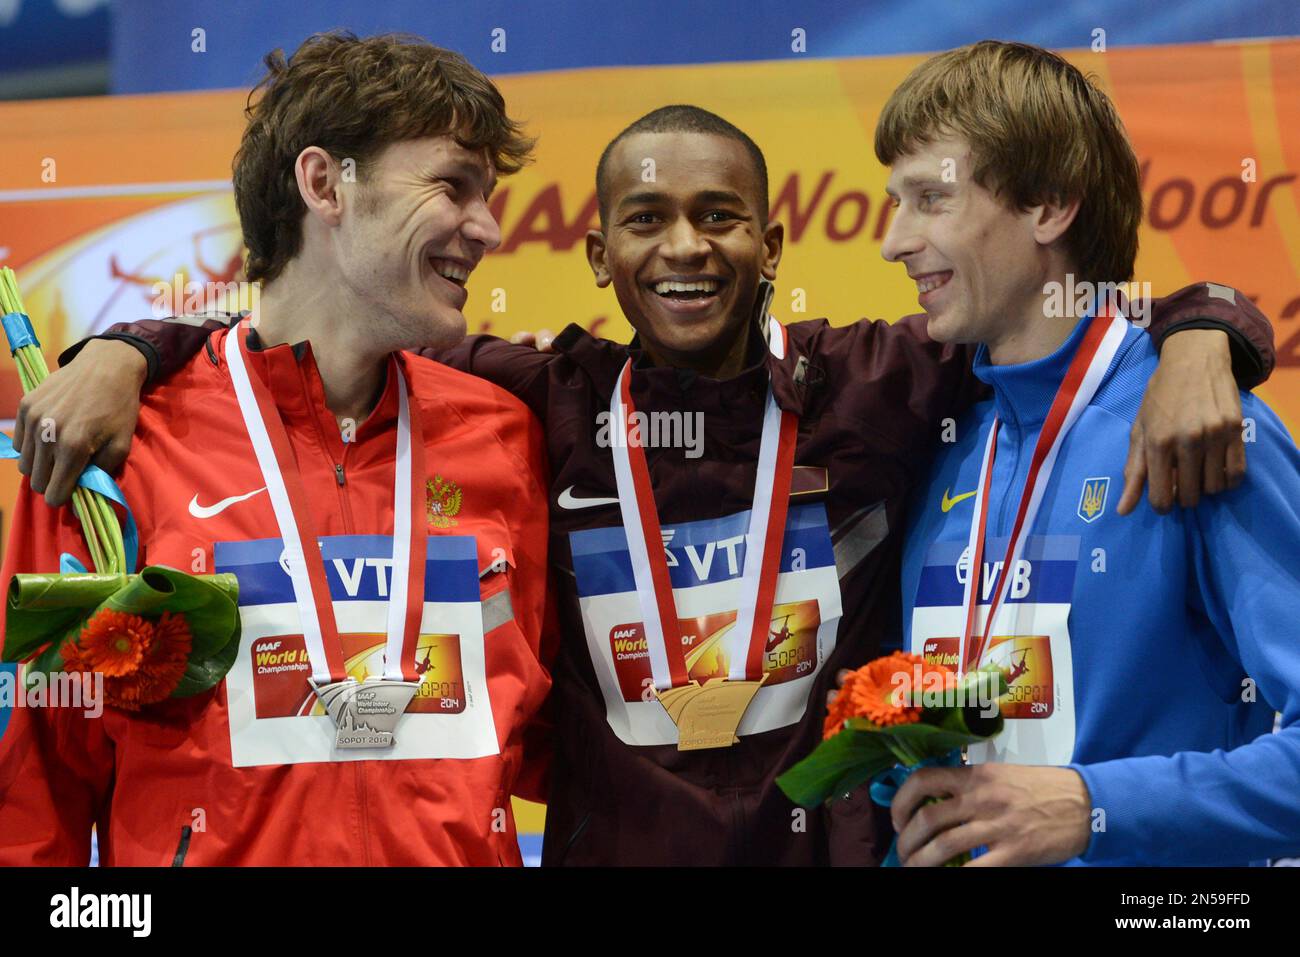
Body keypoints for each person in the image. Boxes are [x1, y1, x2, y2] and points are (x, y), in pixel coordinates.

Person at [15, 97, 1276, 864]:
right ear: (596, 251)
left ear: (772, 243)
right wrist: (133, 346)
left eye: (721, 216)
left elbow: (1053, 331)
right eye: (647, 220)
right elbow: (318, 332)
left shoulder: (879, 382)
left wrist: (1205, 330)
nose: (686, 248)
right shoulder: (535, 399)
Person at [0, 32, 554, 865]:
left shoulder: (504, 435)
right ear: (325, 182)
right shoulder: (115, 446)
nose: (488, 229)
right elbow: (31, 802)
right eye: (453, 186)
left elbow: (554, 741)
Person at [872, 41, 1300, 866]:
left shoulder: (1195, 425)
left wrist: (1096, 806)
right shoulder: (943, 438)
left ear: (1049, 206)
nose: (893, 241)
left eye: (930, 198)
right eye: (895, 201)